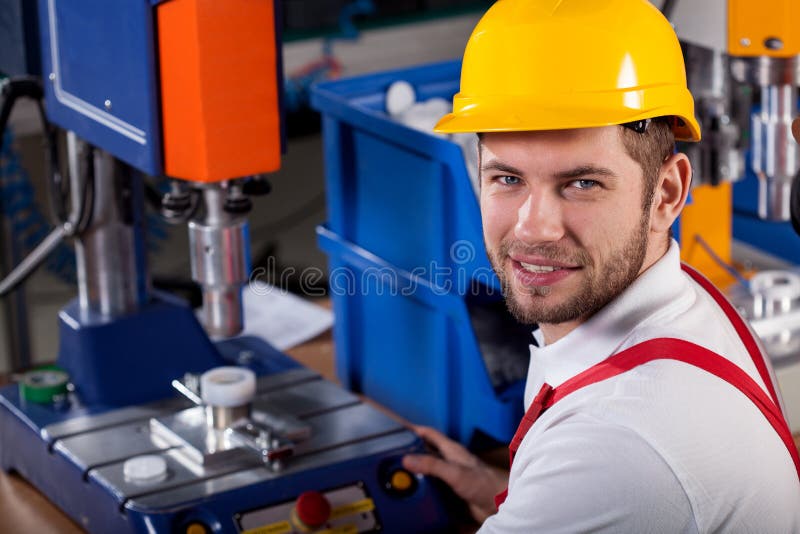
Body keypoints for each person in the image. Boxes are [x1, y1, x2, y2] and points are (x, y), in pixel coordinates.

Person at [401, 0, 800, 532]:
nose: (531, 227)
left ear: (667, 192)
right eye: (506, 179)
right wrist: (518, 495)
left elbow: (618, 467)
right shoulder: (688, 300)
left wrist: (558, 496)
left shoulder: (618, 444)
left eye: (582, 183)